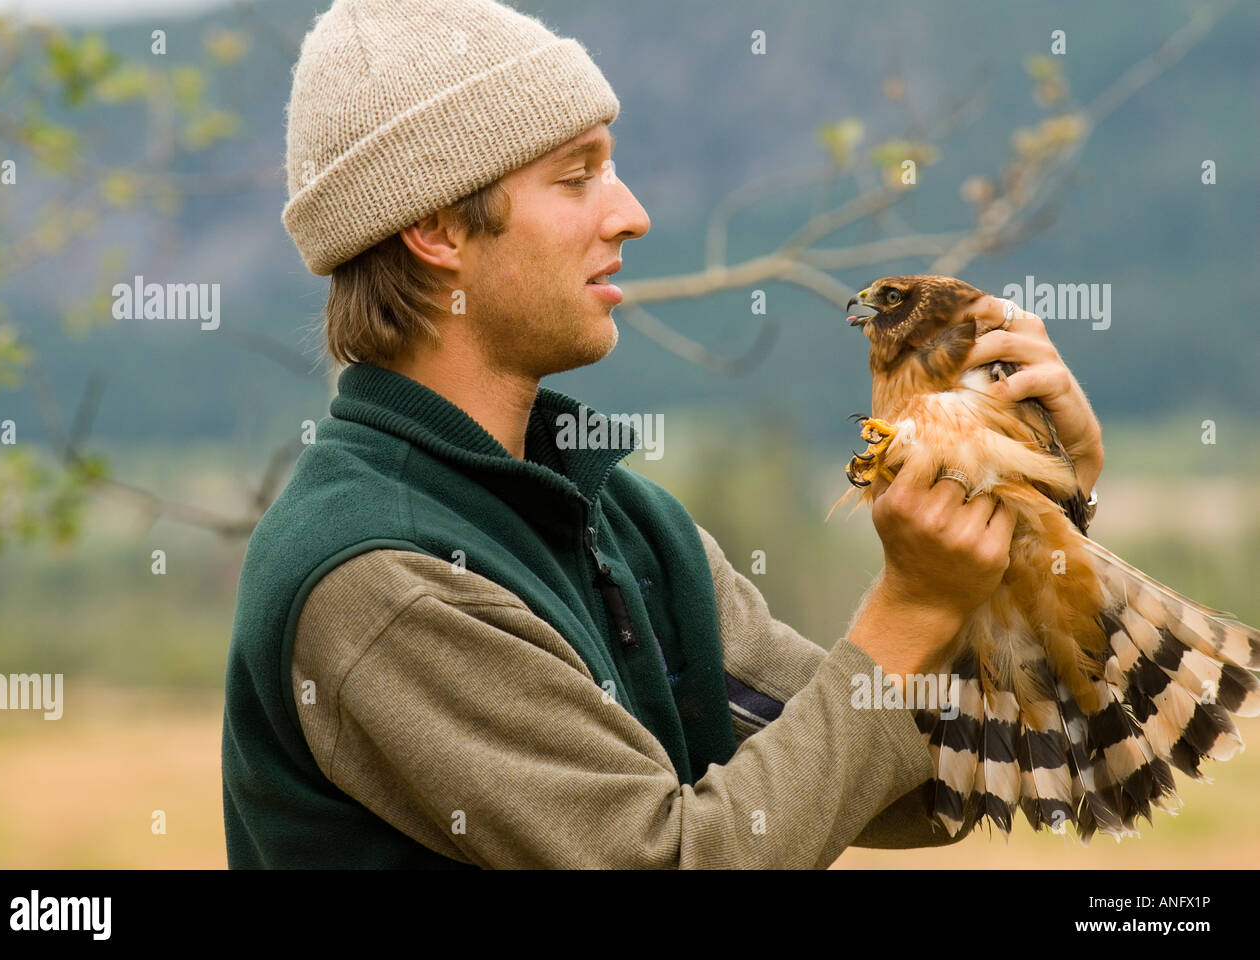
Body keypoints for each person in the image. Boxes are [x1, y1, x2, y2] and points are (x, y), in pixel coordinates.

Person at [221, 0, 1105, 868]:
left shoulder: (623, 525)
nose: (632, 213)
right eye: (578, 177)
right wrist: (909, 612)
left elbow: (922, 782)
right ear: (435, 227)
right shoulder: (384, 576)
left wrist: (1037, 517)